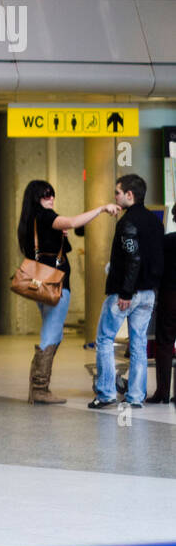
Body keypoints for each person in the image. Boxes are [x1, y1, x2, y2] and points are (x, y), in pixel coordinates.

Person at [16, 181, 119, 404]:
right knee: (51, 335)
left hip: (41, 285)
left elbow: (63, 241)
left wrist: (60, 234)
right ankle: (40, 389)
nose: (51, 198)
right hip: (56, 286)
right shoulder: (44, 216)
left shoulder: (32, 219)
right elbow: (73, 222)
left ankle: (37, 389)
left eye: (52, 194)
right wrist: (101, 208)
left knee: (51, 332)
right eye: (45, 195)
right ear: (36, 198)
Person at [90, 174, 164, 410]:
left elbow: (133, 257)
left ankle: (106, 394)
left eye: (117, 192)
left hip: (126, 294)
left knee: (104, 339)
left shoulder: (127, 223)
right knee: (139, 343)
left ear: (129, 195)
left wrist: (125, 292)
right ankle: (134, 397)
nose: (115, 196)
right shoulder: (155, 222)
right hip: (148, 294)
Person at [147, 205, 176, 404]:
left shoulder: (167, 242)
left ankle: (163, 392)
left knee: (165, 344)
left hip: (170, 296)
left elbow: (155, 267)